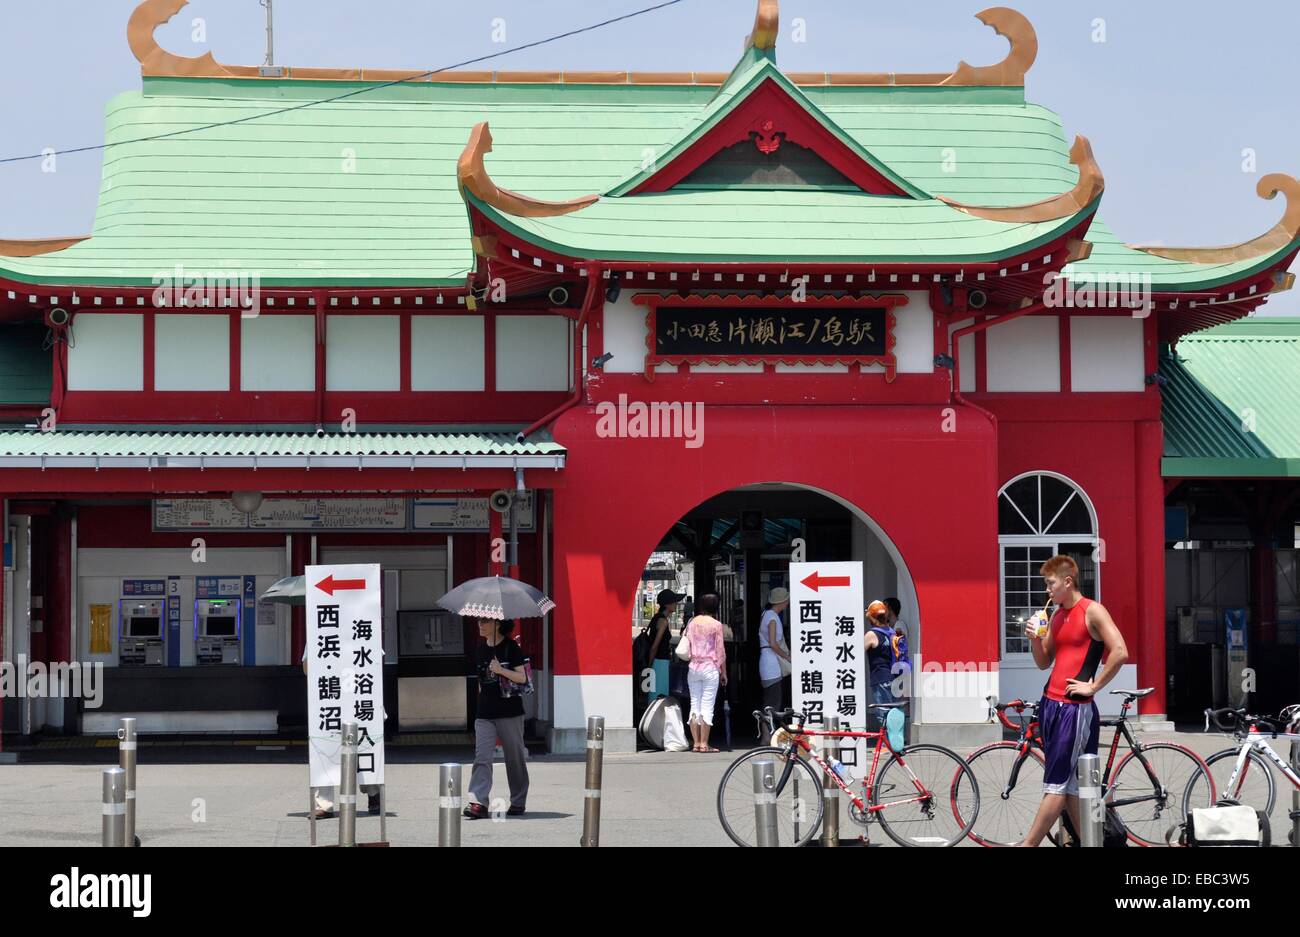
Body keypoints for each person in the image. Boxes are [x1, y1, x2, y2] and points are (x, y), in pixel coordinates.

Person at [1016, 555, 1128, 847]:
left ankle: (1028, 844)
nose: (1047, 590)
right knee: (1073, 788)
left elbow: (1119, 651)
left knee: (1057, 784)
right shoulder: (1057, 614)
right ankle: (1093, 844)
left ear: (1067, 581)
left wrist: (1094, 686)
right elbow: (1044, 662)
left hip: (1074, 709)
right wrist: (1033, 638)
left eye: (1050, 584)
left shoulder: (1093, 611)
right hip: (1051, 703)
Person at [302, 645, 381, 818]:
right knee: (325, 750)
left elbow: (377, 660)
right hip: (329, 698)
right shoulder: (322, 626)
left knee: (363, 749)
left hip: (358, 696)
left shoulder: (360, 623)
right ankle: (323, 804)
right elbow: (307, 668)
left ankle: (373, 792)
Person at [464, 617, 531, 819]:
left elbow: (522, 677)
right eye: (479, 621)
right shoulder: (480, 648)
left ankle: (518, 801)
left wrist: (501, 670)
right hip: (485, 713)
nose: (480, 625)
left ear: (497, 624)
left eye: (485, 621)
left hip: (510, 712)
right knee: (482, 757)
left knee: (515, 758)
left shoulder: (512, 648)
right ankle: (478, 802)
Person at [683, 594, 727, 753]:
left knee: (695, 704)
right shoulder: (716, 625)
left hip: (694, 667)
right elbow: (720, 651)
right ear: (716, 607)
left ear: (701, 606)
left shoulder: (692, 623)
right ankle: (704, 743)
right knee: (707, 706)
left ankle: (695, 743)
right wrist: (724, 673)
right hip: (710, 667)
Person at [757, 587, 791, 744]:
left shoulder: (766, 614)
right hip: (771, 663)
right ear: (782, 602)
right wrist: (788, 657)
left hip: (766, 661)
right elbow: (773, 643)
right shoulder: (772, 617)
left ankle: (768, 735)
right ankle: (766, 736)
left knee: (771, 701)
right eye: (787, 600)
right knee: (773, 702)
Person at [863, 601, 897, 742]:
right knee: (893, 712)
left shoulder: (872, 634)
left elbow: (854, 654)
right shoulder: (892, 631)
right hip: (895, 677)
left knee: (883, 713)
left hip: (881, 678)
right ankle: (896, 742)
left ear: (871, 618)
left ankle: (888, 744)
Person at [645, 589, 684, 705]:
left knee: (655, 694)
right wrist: (649, 665)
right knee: (659, 696)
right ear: (667, 604)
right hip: (659, 663)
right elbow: (655, 646)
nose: (676, 604)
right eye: (674, 602)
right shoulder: (663, 621)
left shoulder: (657, 618)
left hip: (657, 662)